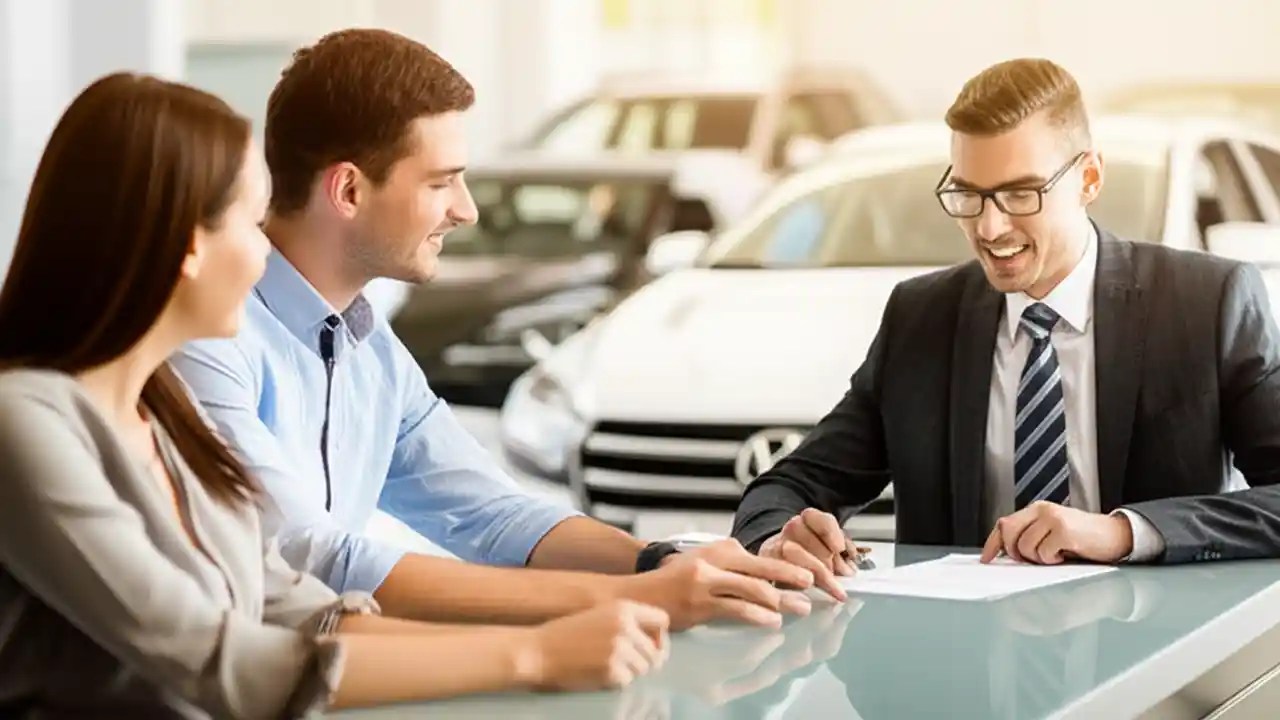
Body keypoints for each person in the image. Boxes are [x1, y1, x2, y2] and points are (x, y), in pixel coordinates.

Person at [0, 72, 672, 718]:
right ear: (187, 246)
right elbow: (222, 661)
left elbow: (308, 612)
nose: (266, 253)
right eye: (247, 221)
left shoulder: (164, 416)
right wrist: (536, 654)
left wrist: (612, 602)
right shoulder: (24, 423)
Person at [169, 26, 822, 626]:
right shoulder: (207, 340)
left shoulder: (369, 347)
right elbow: (309, 558)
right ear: (348, 192)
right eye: (441, 183)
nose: (467, 210)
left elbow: (491, 512)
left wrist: (659, 562)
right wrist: (630, 598)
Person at [731, 57, 1280, 585]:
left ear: (1088, 178)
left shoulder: (1206, 303)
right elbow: (789, 485)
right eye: (969, 195)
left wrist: (1123, 532)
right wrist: (782, 537)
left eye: (1021, 194)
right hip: (966, 662)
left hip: (1162, 655)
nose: (990, 228)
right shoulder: (921, 318)